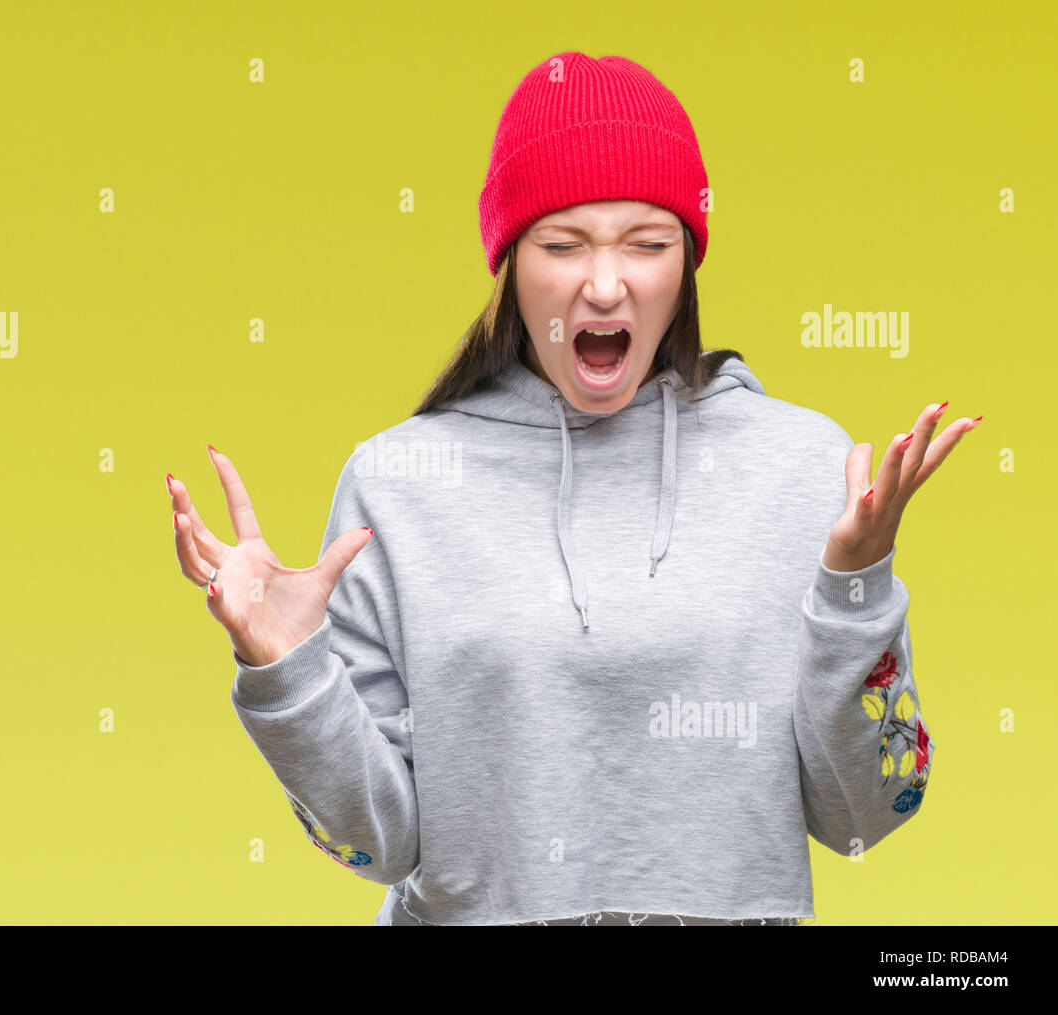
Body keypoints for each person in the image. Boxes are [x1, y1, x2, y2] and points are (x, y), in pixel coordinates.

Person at [165, 51, 979, 926]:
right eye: (562, 245)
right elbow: (377, 846)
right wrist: (288, 667)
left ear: (686, 266)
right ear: (510, 264)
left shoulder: (799, 465)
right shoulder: (401, 483)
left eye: (647, 244)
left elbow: (871, 812)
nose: (604, 283)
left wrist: (855, 589)